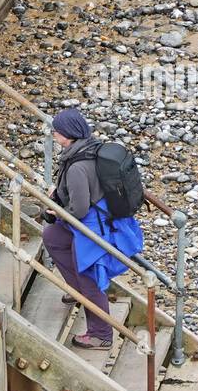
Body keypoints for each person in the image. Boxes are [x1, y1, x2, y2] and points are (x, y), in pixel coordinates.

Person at [40, 108, 143, 350]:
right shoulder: (90, 148)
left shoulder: (76, 167)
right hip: (99, 219)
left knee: (88, 276)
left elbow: (79, 209)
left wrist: (55, 210)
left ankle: (101, 335)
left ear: (67, 134)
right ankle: (78, 292)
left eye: (57, 131)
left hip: (90, 228)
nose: (54, 134)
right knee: (52, 236)